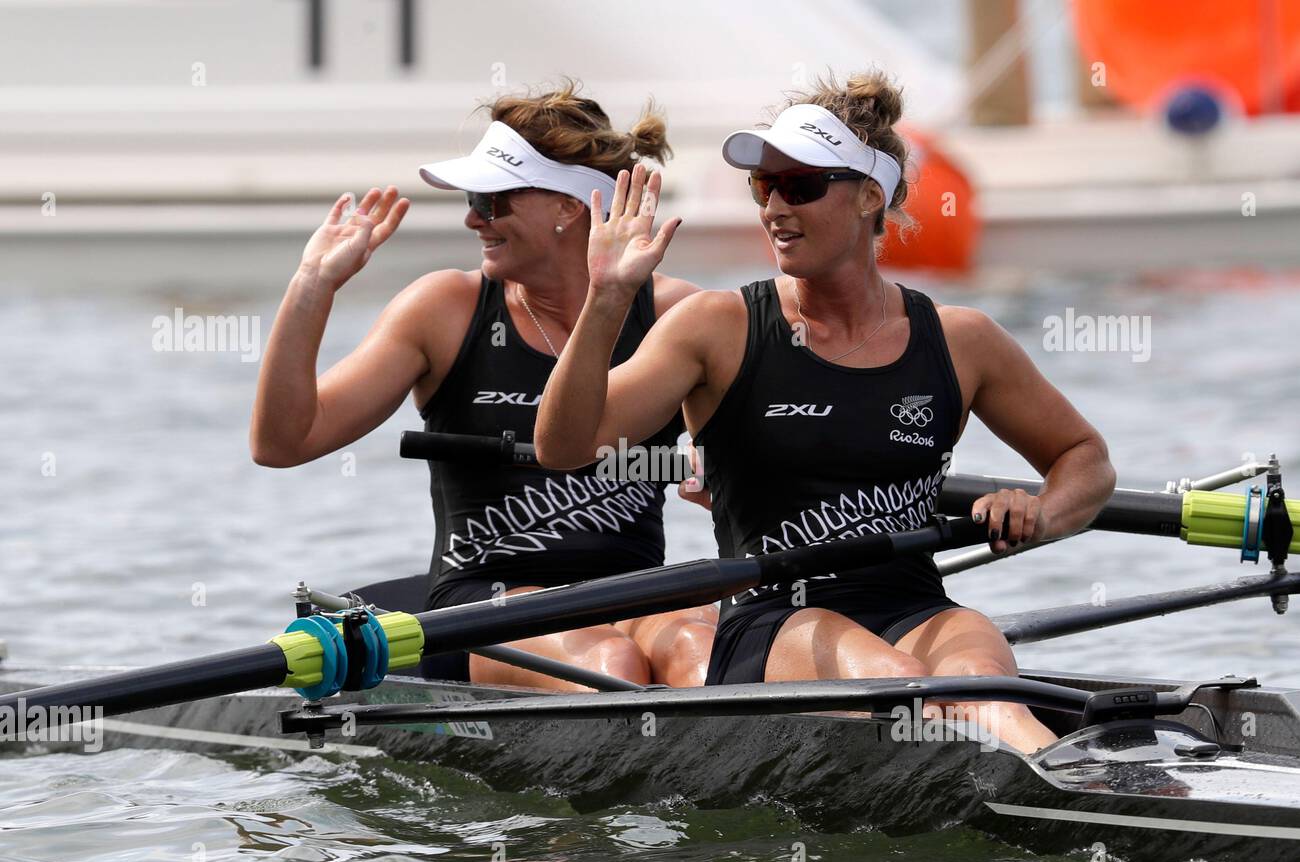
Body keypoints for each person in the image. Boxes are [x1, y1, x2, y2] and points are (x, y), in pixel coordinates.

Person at [534, 71, 1116, 749]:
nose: (776, 207)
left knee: (989, 692)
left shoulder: (963, 341)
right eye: (764, 187)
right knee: (905, 684)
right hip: (773, 622)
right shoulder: (717, 329)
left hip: (914, 605)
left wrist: (1041, 511)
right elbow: (565, 446)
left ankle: (1076, 784)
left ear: (872, 196)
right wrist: (605, 299)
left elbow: (1087, 460)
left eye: (801, 186)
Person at [250, 81, 716, 691]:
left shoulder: (678, 314)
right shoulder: (445, 309)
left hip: (633, 592)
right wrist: (313, 284)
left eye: (491, 201)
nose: (473, 218)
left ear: (568, 208)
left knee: (697, 653)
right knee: (610, 667)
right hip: (477, 604)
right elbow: (283, 443)